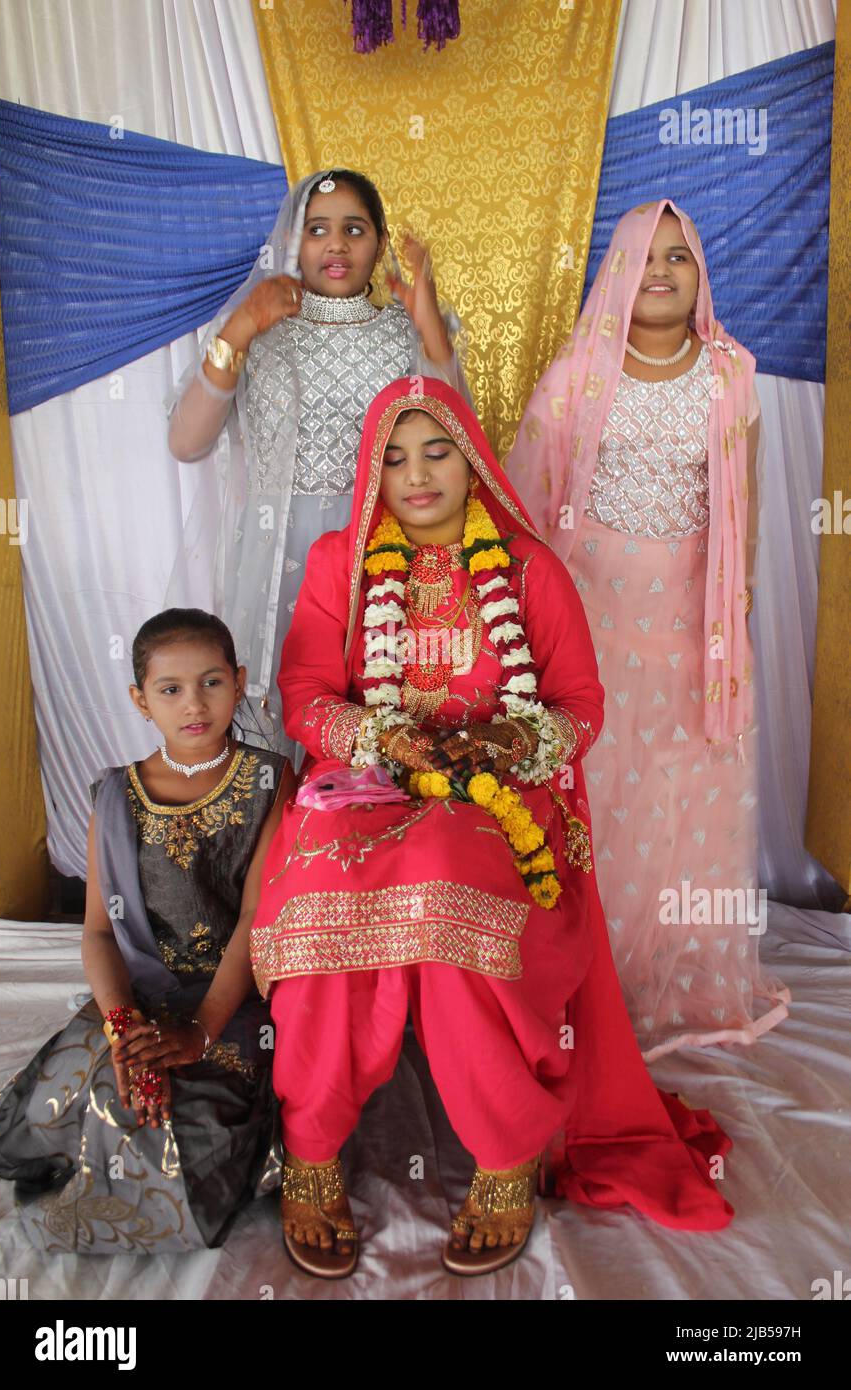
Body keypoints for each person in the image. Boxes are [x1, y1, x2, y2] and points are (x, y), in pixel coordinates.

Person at [249, 375, 734, 1281]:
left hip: (496, 793)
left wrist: (511, 739)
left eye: (437, 451)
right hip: (367, 788)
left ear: (472, 460)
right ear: (373, 473)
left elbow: (580, 704)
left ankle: (505, 1151)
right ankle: (311, 1150)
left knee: (447, 879)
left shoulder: (528, 569)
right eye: (395, 458)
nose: (417, 475)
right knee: (318, 899)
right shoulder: (339, 563)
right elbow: (306, 697)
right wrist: (381, 738)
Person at [506, 199, 790, 1062]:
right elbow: (528, 491)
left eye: (680, 256)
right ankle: (592, 972)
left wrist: (737, 605)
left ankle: (666, 969)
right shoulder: (578, 372)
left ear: (700, 274)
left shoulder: (729, 373)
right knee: (602, 785)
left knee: (683, 786)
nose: (662, 270)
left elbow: (745, 498)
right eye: (647, 255)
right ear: (620, 272)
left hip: (691, 621)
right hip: (592, 614)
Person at [0, 610, 294, 1253]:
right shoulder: (115, 794)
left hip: (234, 995)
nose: (194, 704)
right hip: (140, 994)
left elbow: (255, 920)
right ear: (140, 700)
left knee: (193, 1125)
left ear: (239, 683)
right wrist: (124, 1029)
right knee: (87, 1100)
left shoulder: (270, 779)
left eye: (212, 682)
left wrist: (199, 1030)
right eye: (170, 689)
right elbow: (100, 934)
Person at [165, 168, 469, 762]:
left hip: (383, 546)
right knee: (280, 712)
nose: (336, 245)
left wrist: (430, 328)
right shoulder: (257, 328)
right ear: (292, 240)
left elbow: (458, 438)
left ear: (379, 243)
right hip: (277, 556)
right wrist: (241, 329)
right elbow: (186, 441)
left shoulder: (405, 329)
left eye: (354, 230)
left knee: (383, 709)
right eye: (317, 229)